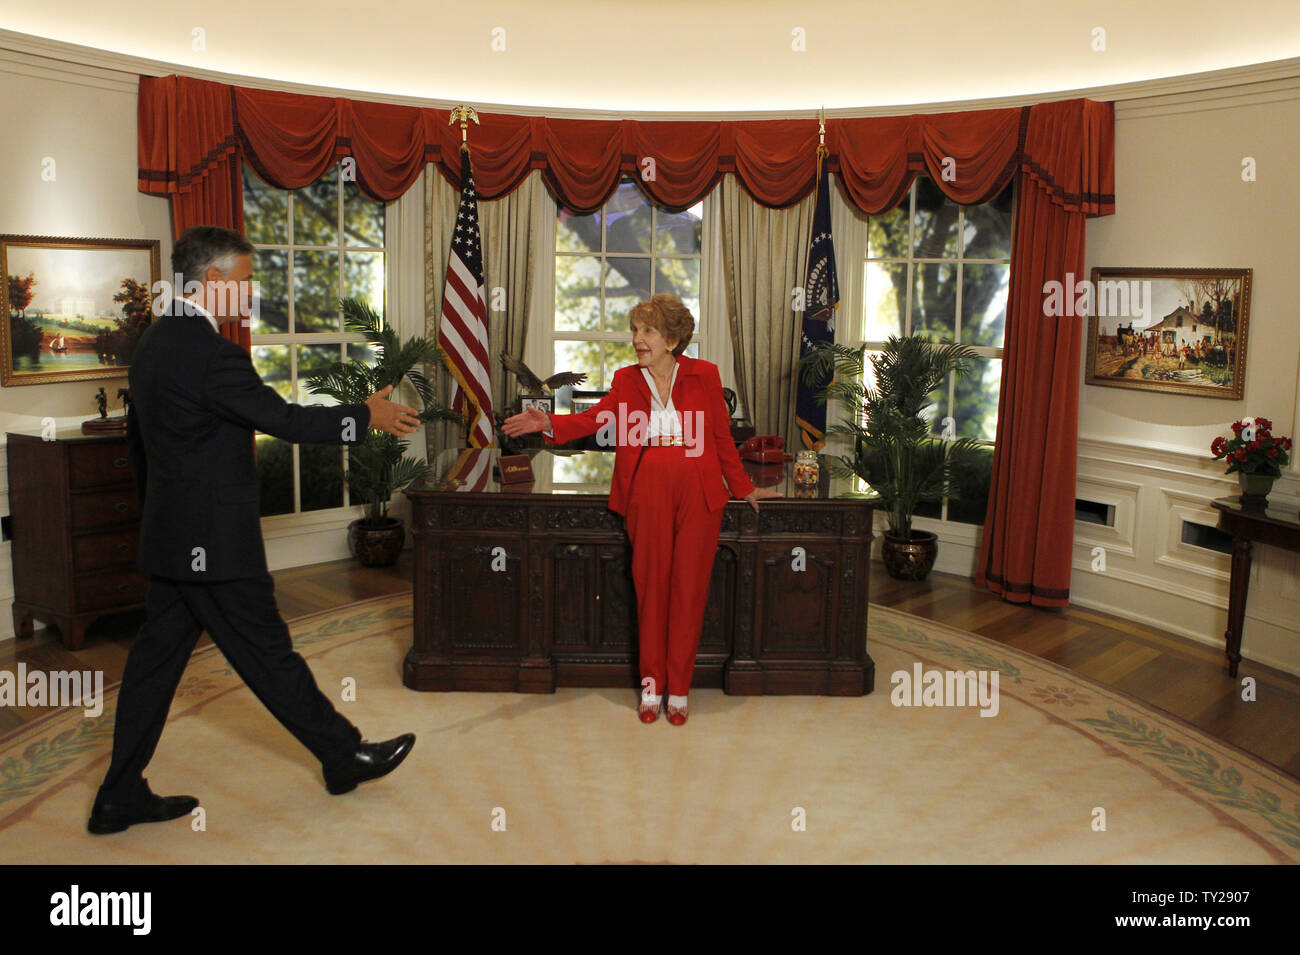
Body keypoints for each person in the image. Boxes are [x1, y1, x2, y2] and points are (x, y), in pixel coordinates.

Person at [89, 226, 420, 835]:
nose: (248, 295)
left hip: (173, 539)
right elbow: (283, 419)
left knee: (152, 668)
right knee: (268, 655)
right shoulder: (212, 354)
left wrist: (159, 525)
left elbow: (140, 451)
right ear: (211, 284)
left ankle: (117, 795)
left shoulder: (154, 343)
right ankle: (343, 756)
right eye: (243, 283)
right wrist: (364, 416)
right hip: (213, 545)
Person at [503, 293, 780, 725]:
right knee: (652, 590)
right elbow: (595, 419)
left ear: (672, 338)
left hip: (699, 490)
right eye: (635, 330)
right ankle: (651, 689)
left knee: (688, 591)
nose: (637, 339)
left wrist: (745, 488)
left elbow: (723, 439)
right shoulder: (626, 379)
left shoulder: (705, 375)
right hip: (648, 487)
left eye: (647, 331)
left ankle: (680, 690)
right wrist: (549, 422)